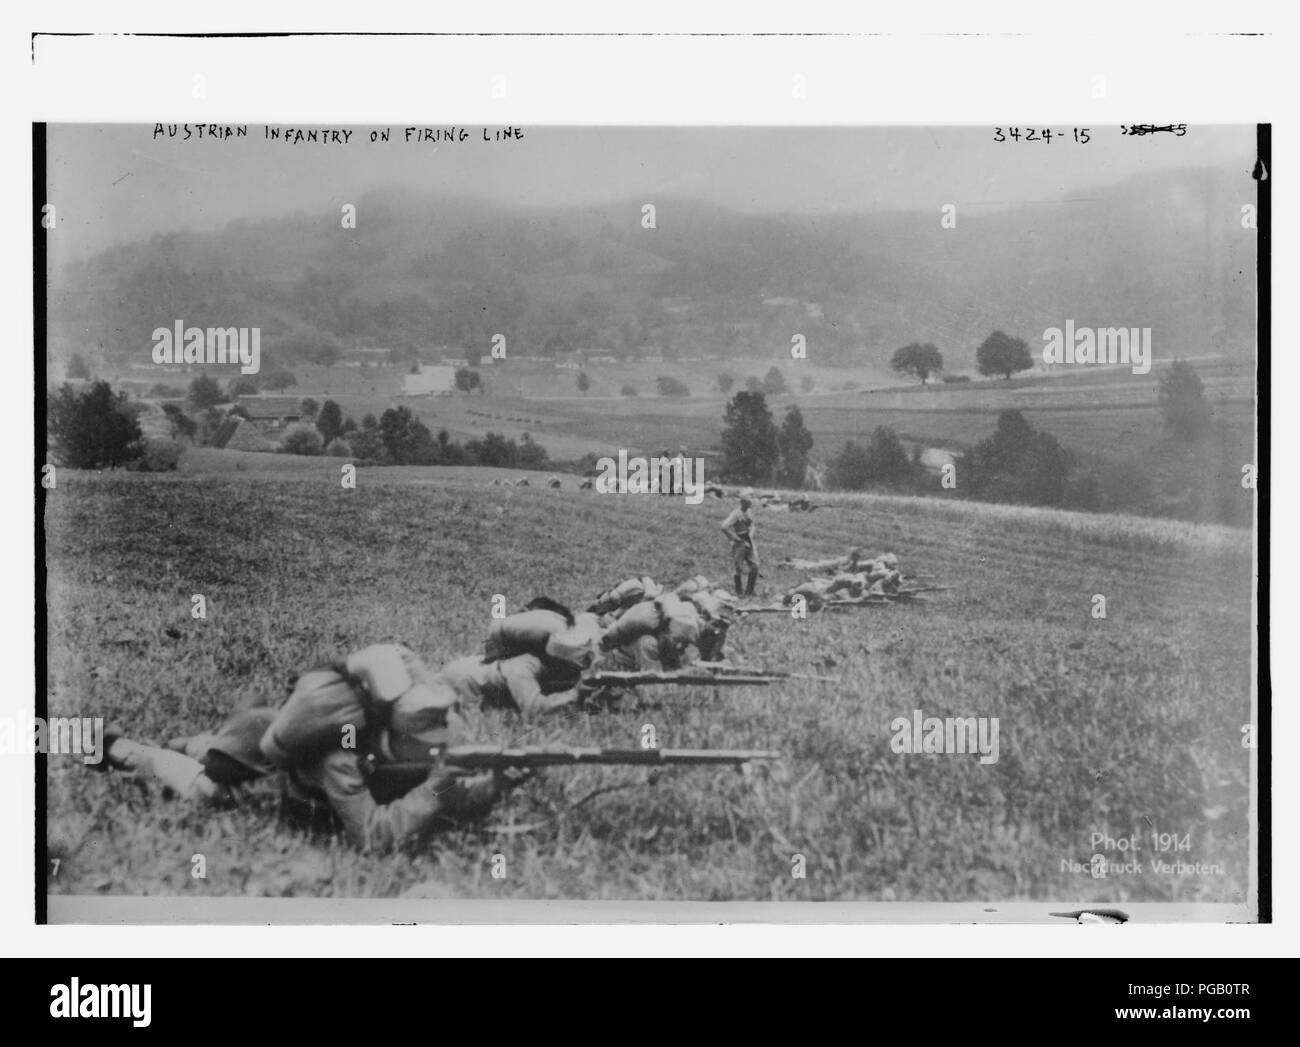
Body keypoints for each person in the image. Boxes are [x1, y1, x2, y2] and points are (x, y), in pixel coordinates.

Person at [93, 644, 512, 853]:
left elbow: (437, 792)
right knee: (209, 788)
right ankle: (117, 748)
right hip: (262, 780)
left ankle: (196, 742)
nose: (442, 731)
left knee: (217, 742)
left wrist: (491, 785)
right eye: (428, 724)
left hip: (264, 734)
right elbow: (371, 835)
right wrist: (436, 787)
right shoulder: (340, 752)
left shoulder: (408, 729)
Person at [720, 493, 759, 596]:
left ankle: (749, 591)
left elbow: (753, 524)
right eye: (747, 503)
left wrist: (750, 534)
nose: (749, 504)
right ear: (742, 503)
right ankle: (739, 592)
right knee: (739, 568)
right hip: (740, 543)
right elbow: (724, 527)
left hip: (749, 541)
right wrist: (734, 538)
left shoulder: (749, 512)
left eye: (750, 502)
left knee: (755, 566)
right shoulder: (736, 514)